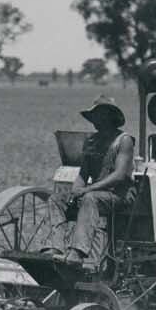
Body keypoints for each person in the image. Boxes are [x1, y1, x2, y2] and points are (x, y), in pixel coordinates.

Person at [42, 95, 136, 268]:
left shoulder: (124, 141)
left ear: (110, 116)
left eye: (99, 116)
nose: (95, 120)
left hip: (119, 196)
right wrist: (75, 191)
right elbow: (83, 175)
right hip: (96, 194)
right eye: (94, 116)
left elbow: (119, 175)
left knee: (90, 198)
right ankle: (55, 246)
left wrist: (86, 190)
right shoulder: (91, 141)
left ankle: (78, 252)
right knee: (57, 199)